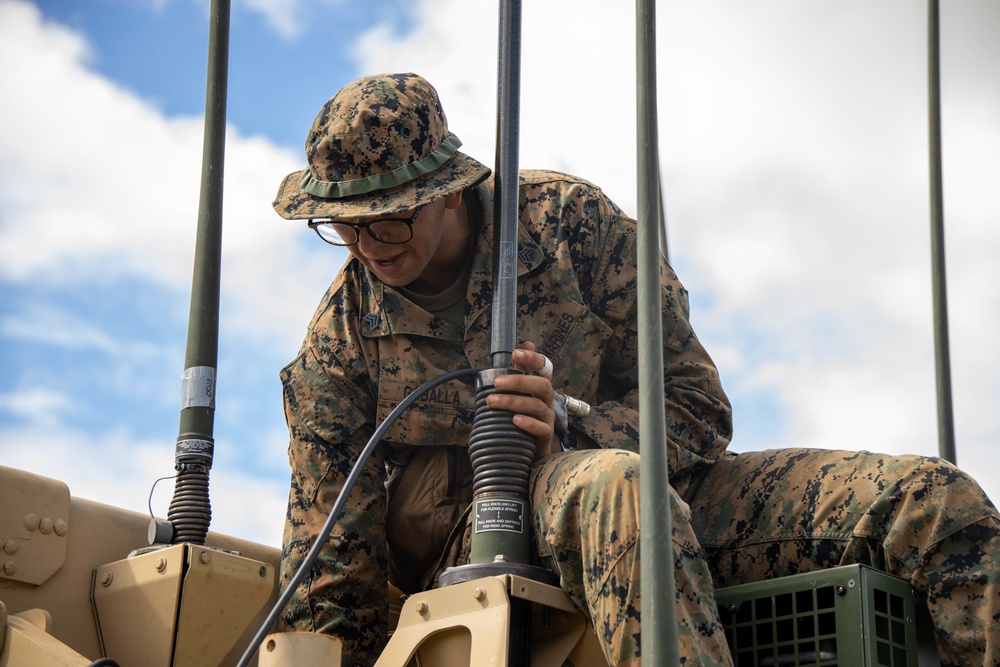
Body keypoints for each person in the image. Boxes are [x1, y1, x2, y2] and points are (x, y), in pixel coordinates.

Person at [272, 72, 1000, 667]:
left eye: (390, 215)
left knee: (932, 501)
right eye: (343, 223)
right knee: (624, 490)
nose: (367, 243)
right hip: (479, 549)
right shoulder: (338, 344)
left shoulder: (570, 227)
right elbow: (330, 571)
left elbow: (697, 406)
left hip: (654, 480)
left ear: (449, 189)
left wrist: (570, 425)